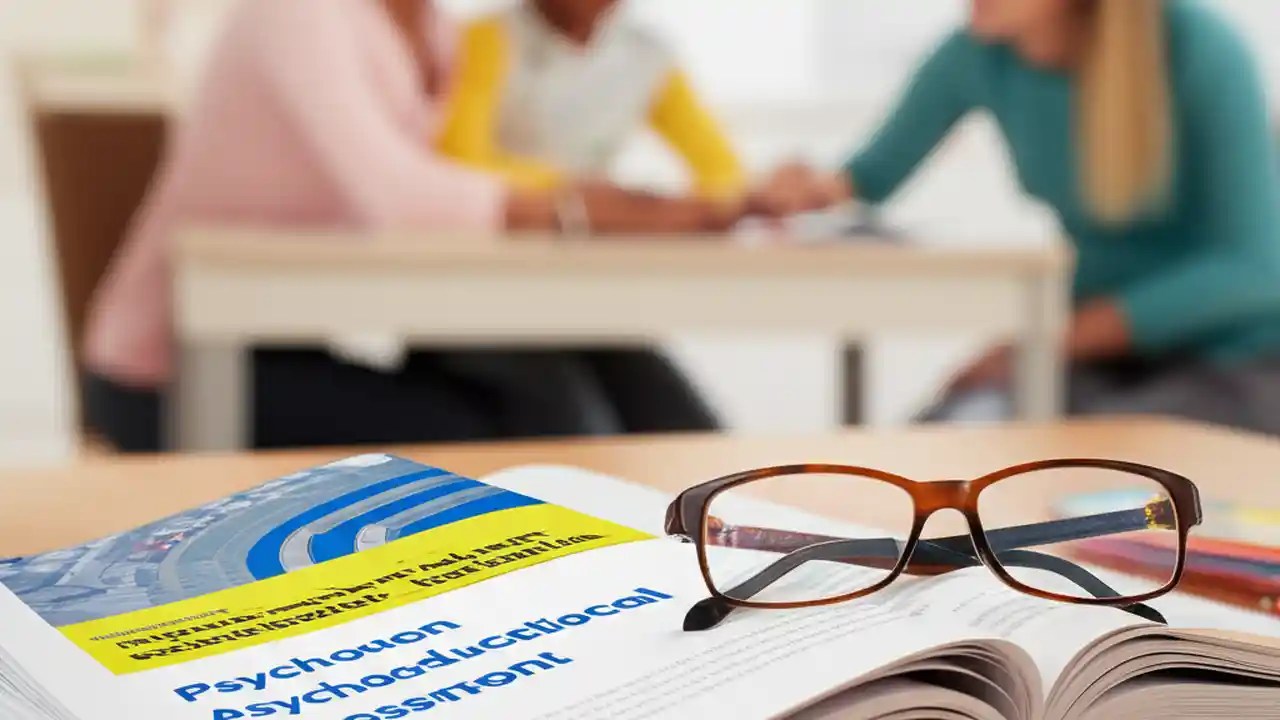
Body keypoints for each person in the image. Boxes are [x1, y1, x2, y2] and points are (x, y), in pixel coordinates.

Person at [83, 0, 755, 452]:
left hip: (302, 339)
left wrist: (670, 205)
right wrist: (596, 206)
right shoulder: (299, 14)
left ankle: (739, 552)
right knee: (542, 426)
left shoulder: (438, 31)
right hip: (181, 371)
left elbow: (467, 177)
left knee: (639, 384)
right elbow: (400, 197)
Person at [765, 0, 1280, 434]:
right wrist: (794, 191)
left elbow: (1254, 270)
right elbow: (867, 177)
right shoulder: (981, 51)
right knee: (946, 436)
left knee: (1095, 460)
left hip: (1233, 358)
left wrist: (1045, 343)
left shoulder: (1198, 47)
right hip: (1091, 355)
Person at [437, 0, 745, 199]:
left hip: (595, 242)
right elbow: (461, 163)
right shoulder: (484, 39)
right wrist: (576, 193)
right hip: (502, 235)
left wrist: (670, 211)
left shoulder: (645, 55)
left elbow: (723, 170)